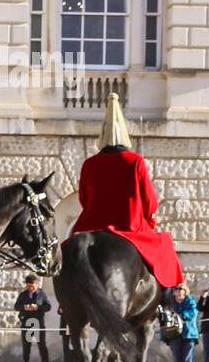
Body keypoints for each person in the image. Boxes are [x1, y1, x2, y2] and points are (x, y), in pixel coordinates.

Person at [68, 92, 184, 292]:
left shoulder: (90, 163)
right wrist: (150, 218)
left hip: (92, 226)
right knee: (164, 245)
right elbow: (149, 200)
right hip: (130, 227)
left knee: (66, 250)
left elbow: (84, 200)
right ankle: (166, 307)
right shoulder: (135, 161)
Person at [15, 274, 52, 362]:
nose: (31, 288)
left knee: (42, 345)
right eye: (29, 286)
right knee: (26, 345)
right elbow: (16, 306)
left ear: (36, 284)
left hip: (38, 323)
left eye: (33, 286)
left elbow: (48, 307)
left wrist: (37, 307)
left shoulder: (42, 294)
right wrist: (24, 307)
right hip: (26, 322)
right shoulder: (23, 294)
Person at [168, 284, 198, 362]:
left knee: (188, 352)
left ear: (185, 290)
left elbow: (193, 312)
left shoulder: (190, 300)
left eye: (181, 289)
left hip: (189, 332)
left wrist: (182, 315)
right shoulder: (170, 302)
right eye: (176, 289)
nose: (179, 291)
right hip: (174, 331)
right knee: (177, 352)